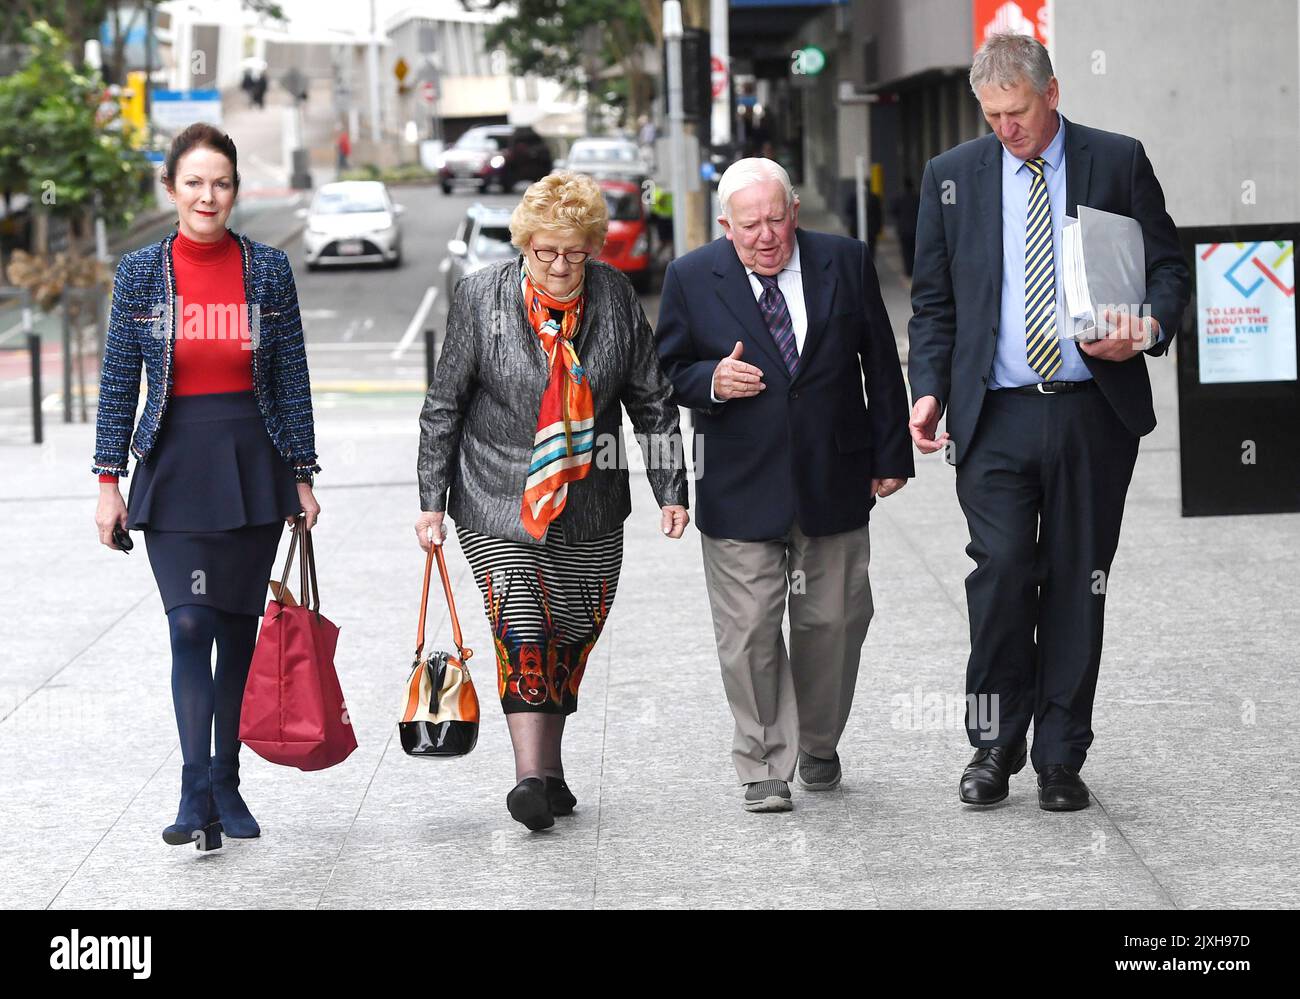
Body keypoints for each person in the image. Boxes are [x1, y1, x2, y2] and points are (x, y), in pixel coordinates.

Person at [907, 33, 1190, 811]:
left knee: (1077, 580)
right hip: (994, 416)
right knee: (999, 572)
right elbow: (932, 303)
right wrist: (927, 388)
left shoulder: (1116, 159)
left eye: (1018, 110)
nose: (1007, 128)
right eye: (992, 114)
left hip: (1090, 412)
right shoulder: (951, 177)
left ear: (1052, 93)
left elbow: (1170, 266)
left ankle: (1062, 755)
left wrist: (1149, 327)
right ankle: (994, 744)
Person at [416, 172, 689, 832]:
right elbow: (444, 403)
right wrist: (432, 500)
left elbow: (650, 401)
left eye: (575, 252)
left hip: (591, 497)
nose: (561, 265)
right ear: (525, 246)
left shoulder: (617, 296)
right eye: (546, 252)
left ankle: (552, 771)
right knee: (522, 632)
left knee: (569, 636)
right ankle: (529, 779)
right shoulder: (480, 296)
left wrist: (671, 489)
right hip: (497, 495)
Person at [655, 157, 914, 812]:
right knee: (748, 630)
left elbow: (879, 361)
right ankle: (765, 760)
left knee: (836, 618)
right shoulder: (691, 277)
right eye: (750, 226)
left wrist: (893, 452)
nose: (766, 235)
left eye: (776, 218)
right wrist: (711, 379)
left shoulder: (845, 260)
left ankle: (820, 741)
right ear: (725, 226)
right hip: (739, 480)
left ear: (794, 211)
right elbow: (667, 370)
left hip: (835, 473)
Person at [93, 123, 322, 849]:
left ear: (234, 189)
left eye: (220, 182)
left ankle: (227, 779)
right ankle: (195, 787)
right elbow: (118, 384)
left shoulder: (268, 269)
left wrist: (303, 474)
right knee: (189, 623)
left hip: (253, 463)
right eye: (193, 182)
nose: (207, 195)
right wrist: (108, 482)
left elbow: (290, 375)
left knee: (235, 631)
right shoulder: (139, 273)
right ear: (171, 189)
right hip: (175, 463)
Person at [889, 176, 920, 278]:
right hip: (916, 228)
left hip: (903, 229)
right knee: (915, 250)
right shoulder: (918, 197)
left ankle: (908, 270)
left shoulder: (900, 198)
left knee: (906, 251)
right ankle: (916, 269)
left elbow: (893, 211)